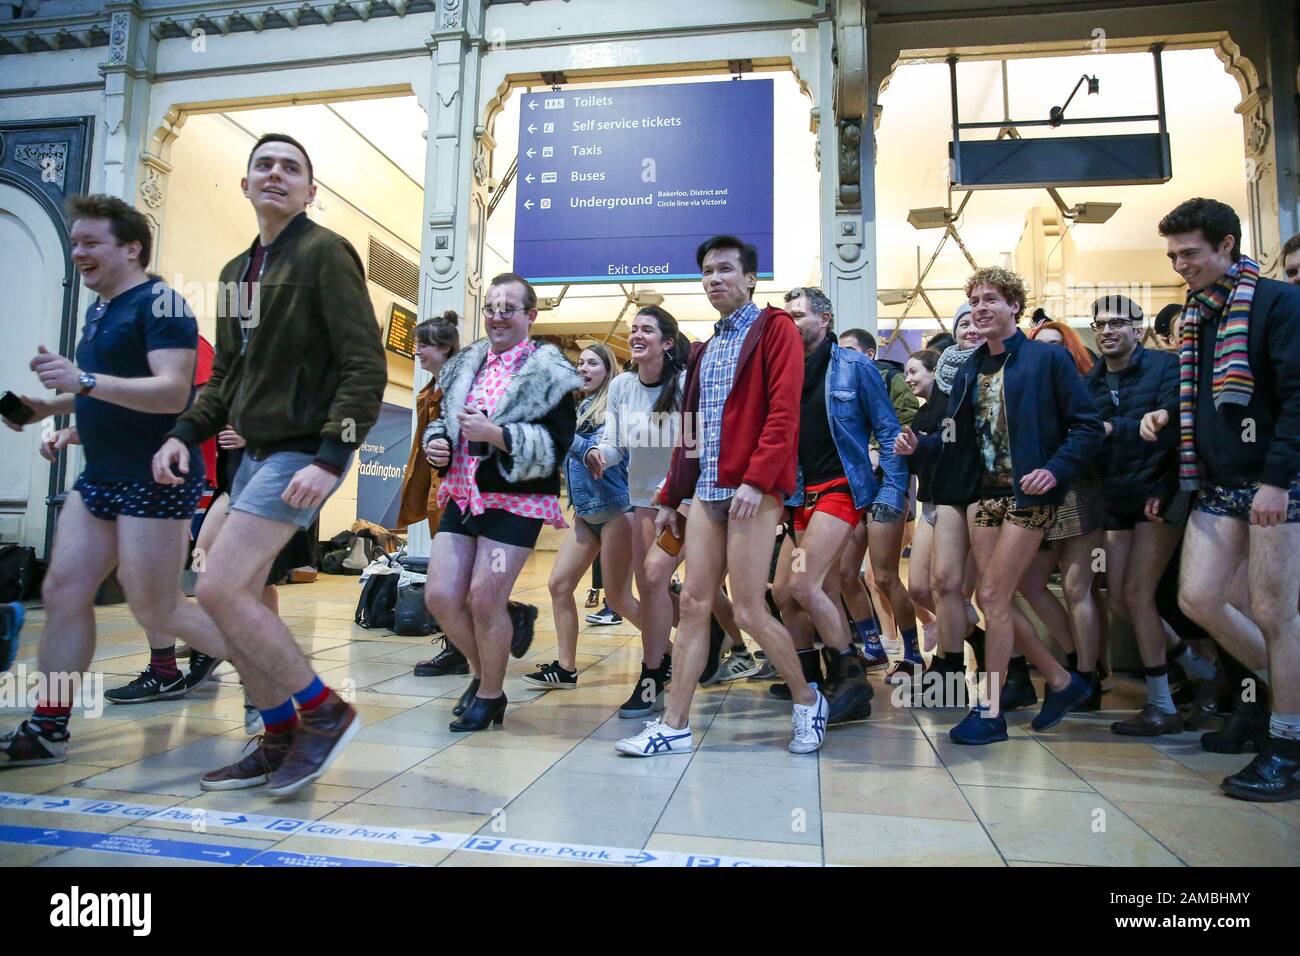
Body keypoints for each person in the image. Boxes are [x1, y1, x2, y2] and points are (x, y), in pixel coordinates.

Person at [151, 133, 388, 795]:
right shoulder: (235, 274)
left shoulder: (325, 254)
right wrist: (184, 431)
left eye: (292, 168)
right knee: (240, 599)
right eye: (265, 165)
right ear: (247, 184)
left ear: (311, 190)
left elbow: (364, 363)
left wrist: (333, 454)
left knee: (219, 589)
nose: (276, 174)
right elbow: (226, 375)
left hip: (303, 450)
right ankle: (278, 732)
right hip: (251, 456)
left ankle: (324, 711)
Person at [0, 194, 235, 768]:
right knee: (61, 592)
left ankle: (270, 682)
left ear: (131, 248)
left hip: (156, 476)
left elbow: (172, 391)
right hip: (102, 475)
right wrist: (49, 407)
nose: (78, 251)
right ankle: (47, 726)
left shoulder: (163, 304)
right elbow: (108, 392)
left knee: (158, 608)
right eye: (75, 242)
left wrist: (79, 381)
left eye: (91, 242)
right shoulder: (99, 310)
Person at [616, 235, 827, 757]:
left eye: (726, 269)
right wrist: (670, 495)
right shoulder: (706, 349)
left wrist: (757, 481)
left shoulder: (775, 329)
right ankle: (675, 724)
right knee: (692, 602)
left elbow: (783, 414)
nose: (715, 279)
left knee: (752, 610)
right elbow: (691, 431)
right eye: (708, 271)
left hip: (753, 492)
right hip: (707, 495)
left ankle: (808, 700)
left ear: (751, 278)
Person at [896, 265, 1104, 744]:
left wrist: (1054, 469)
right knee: (996, 598)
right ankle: (1059, 680)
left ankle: (990, 710)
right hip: (981, 496)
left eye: (991, 299)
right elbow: (956, 438)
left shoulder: (1045, 361)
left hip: (1029, 495)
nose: (981, 308)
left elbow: (1087, 426)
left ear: (1014, 305)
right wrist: (919, 448)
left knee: (990, 596)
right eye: (974, 301)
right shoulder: (969, 368)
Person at [1143, 198, 1300, 800]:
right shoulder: (1200, 312)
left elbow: (1295, 400)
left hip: (1276, 481)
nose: (1181, 265)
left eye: (1192, 253)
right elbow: (1209, 398)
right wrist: (1169, 412)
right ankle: (1286, 697)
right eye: (1173, 255)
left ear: (1227, 244)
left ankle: (1287, 743)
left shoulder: (1278, 303)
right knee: (1198, 598)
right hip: (1217, 481)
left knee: (1275, 612)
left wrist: (1278, 480)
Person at [422, 272, 579, 731]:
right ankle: (481, 669)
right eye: (491, 308)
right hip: (462, 491)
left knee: (484, 597)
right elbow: (443, 422)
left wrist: (498, 435)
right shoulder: (464, 366)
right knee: (440, 596)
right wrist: (438, 443)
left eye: (508, 308)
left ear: (531, 316)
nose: (497, 317)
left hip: (516, 498)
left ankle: (490, 694)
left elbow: (557, 443)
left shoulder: (551, 375)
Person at [1080, 294, 1222, 736]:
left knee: (1141, 595)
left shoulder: (1165, 367)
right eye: (1100, 323)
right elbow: (1091, 439)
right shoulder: (1091, 383)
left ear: (1138, 328)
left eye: (1119, 321)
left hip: (1162, 494)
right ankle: (1198, 668)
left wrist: (1112, 433)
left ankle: (1162, 704)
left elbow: (1176, 431)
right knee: (1121, 598)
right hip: (1118, 499)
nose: (1108, 330)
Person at [769, 286, 906, 723]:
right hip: (798, 496)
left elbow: (887, 430)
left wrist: (890, 492)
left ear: (824, 319)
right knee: (784, 593)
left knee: (805, 585)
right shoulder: (782, 370)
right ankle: (810, 676)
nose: (790, 323)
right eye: (786, 316)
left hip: (839, 490)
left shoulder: (855, 367)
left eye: (798, 315)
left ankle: (852, 678)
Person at [532, 344, 638, 690]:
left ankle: (668, 655)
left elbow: (600, 456)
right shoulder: (582, 408)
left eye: (592, 363)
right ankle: (566, 668)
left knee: (619, 598)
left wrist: (563, 435)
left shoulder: (614, 410)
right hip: (586, 514)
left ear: (608, 370)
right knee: (558, 585)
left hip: (617, 511)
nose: (583, 368)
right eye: (580, 363)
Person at [1023, 320, 1106, 710]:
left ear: (1071, 348)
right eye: (1042, 345)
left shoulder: (1087, 385)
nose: (1050, 352)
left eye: (1058, 345)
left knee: (1077, 588)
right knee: (1030, 583)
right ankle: (1077, 662)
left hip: (1078, 490)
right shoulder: (1028, 389)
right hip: (1039, 495)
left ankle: (1088, 677)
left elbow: (1092, 436)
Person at [398, 314, 468, 679]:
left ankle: (464, 650)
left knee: (453, 576)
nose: (417, 351)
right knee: (451, 576)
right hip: (438, 489)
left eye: (423, 344)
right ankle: (459, 647)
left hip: (457, 492)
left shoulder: (461, 387)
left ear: (444, 348)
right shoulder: (435, 386)